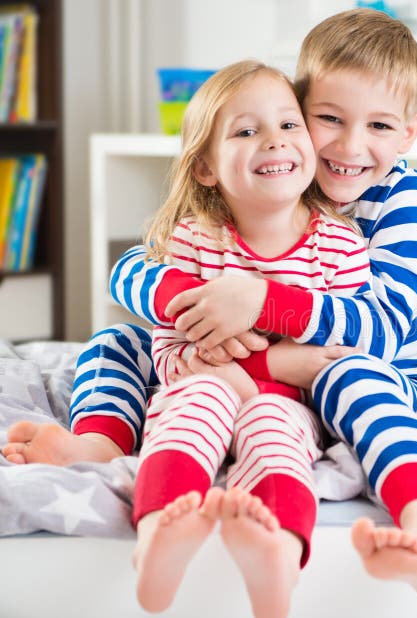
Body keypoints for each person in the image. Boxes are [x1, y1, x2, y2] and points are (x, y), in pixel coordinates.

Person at [3, 8, 417, 614]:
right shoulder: (280, 173)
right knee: (117, 343)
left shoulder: (398, 201)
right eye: (328, 119)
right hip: (222, 366)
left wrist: (260, 307)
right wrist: (190, 305)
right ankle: (99, 444)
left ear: (409, 132)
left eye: (380, 125)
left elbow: (379, 328)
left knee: (348, 380)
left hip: (369, 369)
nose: (350, 147)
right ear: (301, 114)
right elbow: (130, 272)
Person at [130, 59, 370, 616]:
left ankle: (279, 557)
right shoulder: (194, 241)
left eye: (289, 125)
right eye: (246, 131)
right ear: (207, 168)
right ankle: (157, 539)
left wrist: (245, 374)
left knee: (272, 429)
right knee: (194, 402)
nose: (274, 141)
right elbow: (167, 351)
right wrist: (237, 373)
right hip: (206, 389)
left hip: (290, 408)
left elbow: (342, 353)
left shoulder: (340, 246)